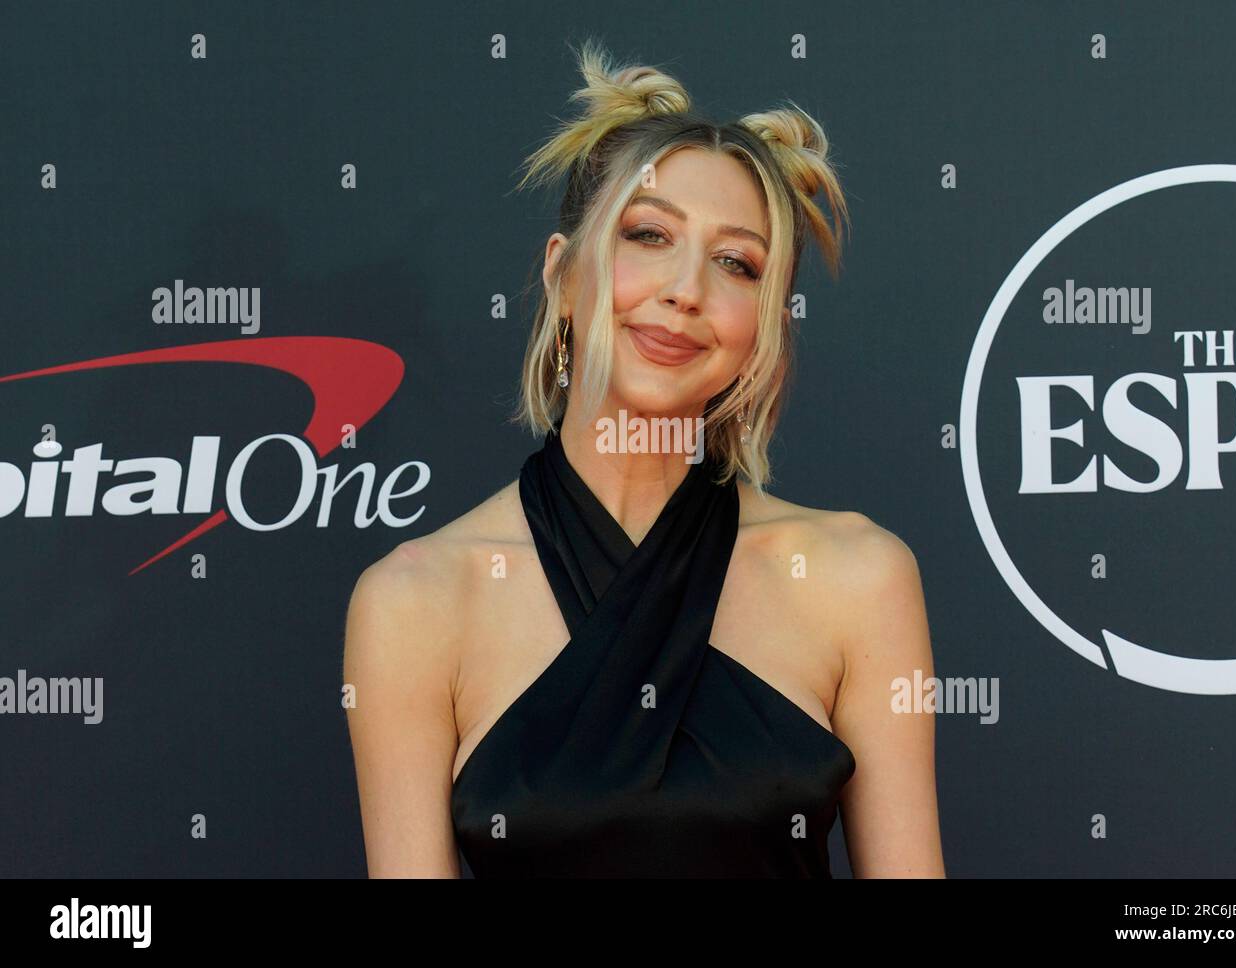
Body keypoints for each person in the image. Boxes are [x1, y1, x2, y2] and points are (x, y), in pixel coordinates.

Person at [344, 39, 944, 878]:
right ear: (562, 278)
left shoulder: (859, 578)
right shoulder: (414, 601)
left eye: (736, 262)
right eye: (649, 235)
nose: (686, 288)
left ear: (764, 328)